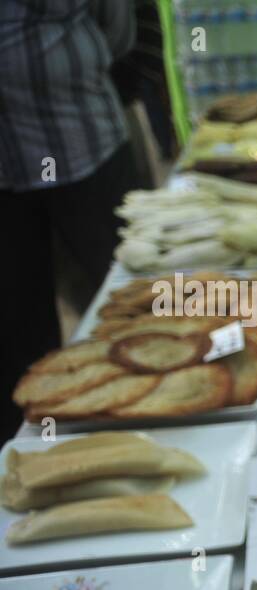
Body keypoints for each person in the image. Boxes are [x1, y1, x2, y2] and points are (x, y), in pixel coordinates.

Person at [0, 1, 140, 434]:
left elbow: (115, 28)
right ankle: (28, 446)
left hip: (81, 145)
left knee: (130, 297)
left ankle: (149, 415)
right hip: (7, 171)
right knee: (17, 328)